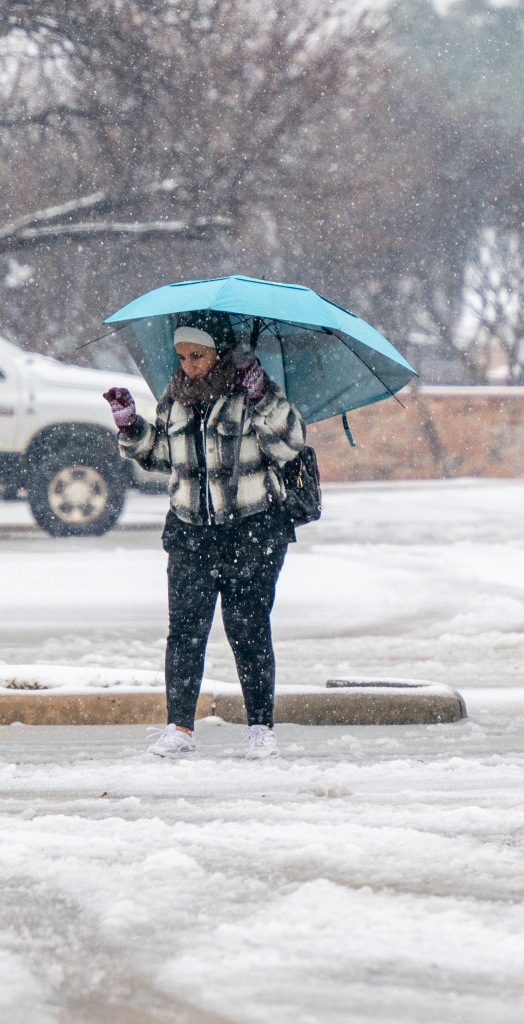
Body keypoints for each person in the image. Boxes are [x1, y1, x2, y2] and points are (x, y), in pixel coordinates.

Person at [104, 325, 307, 760]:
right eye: (182, 356)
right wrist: (132, 427)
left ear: (218, 352)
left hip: (252, 531)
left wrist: (263, 398)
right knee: (184, 633)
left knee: (248, 630)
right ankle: (179, 727)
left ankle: (260, 728)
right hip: (190, 532)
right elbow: (162, 456)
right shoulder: (175, 400)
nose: (189, 365)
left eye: (198, 355)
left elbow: (291, 444)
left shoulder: (251, 394)